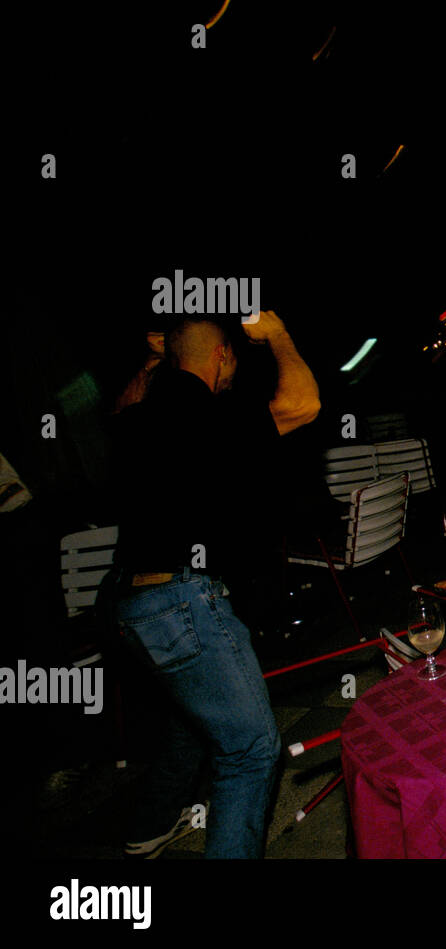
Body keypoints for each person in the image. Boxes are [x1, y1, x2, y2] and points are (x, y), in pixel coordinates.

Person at [111, 311, 320, 858]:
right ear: (222, 355)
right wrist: (277, 333)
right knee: (251, 750)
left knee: (190, 724)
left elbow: (121, 409)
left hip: (128, 607)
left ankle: (147, 832)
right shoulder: (212, 414)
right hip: (183, 602)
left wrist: (158, 356)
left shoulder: (138, 416)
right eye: (230, 359)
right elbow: (305, 404)